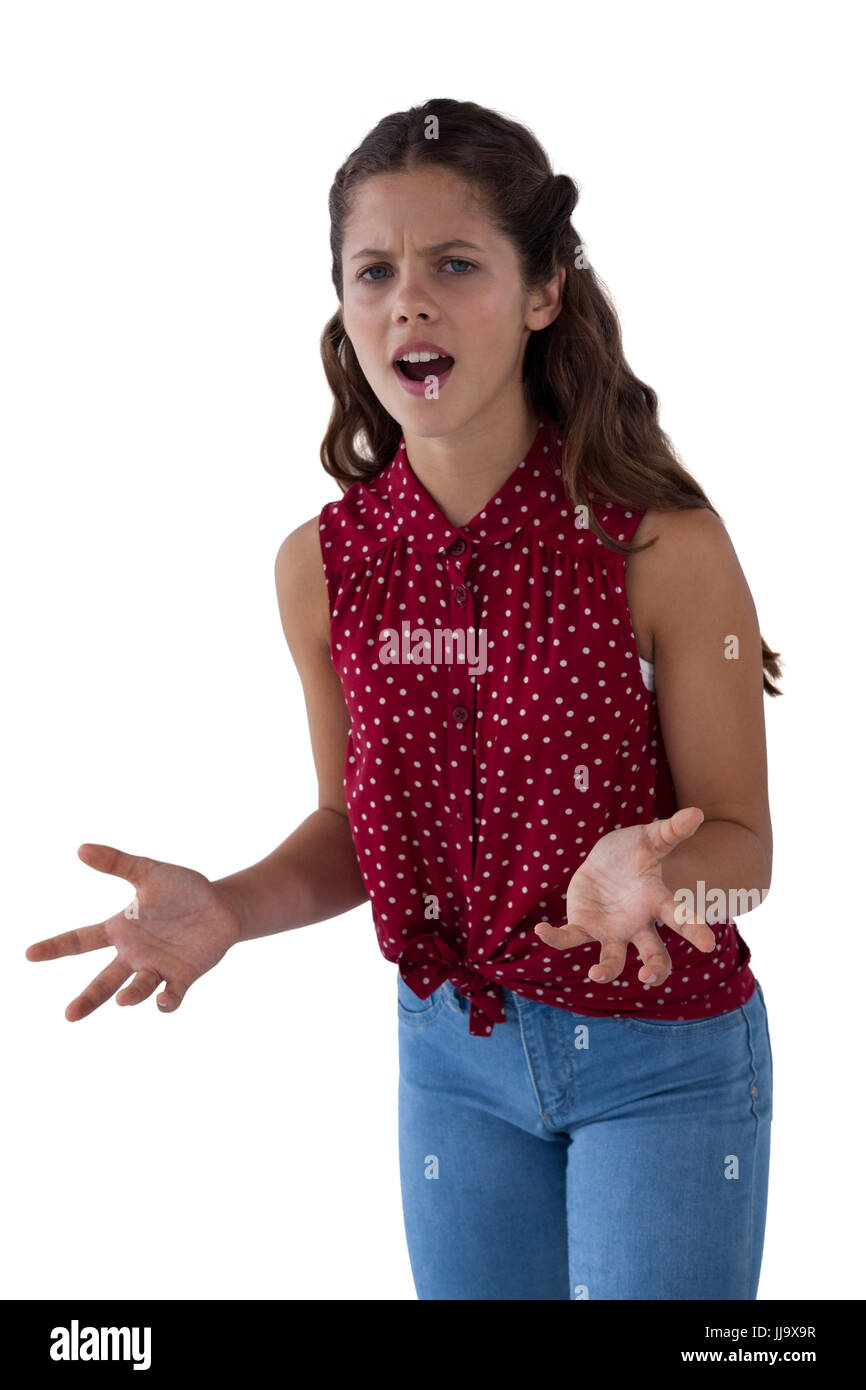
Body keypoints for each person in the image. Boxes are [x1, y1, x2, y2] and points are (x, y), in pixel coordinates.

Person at [26, 98, 779, 1301]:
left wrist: (663, 877)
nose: (406, 302)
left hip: (662, 1064)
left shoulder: (662, 547)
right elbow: (348, 834)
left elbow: (746, 852)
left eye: (454, 265)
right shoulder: (318, 570)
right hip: (450, 1069)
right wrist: (227, 905)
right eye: (372, 271)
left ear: (540, 294)